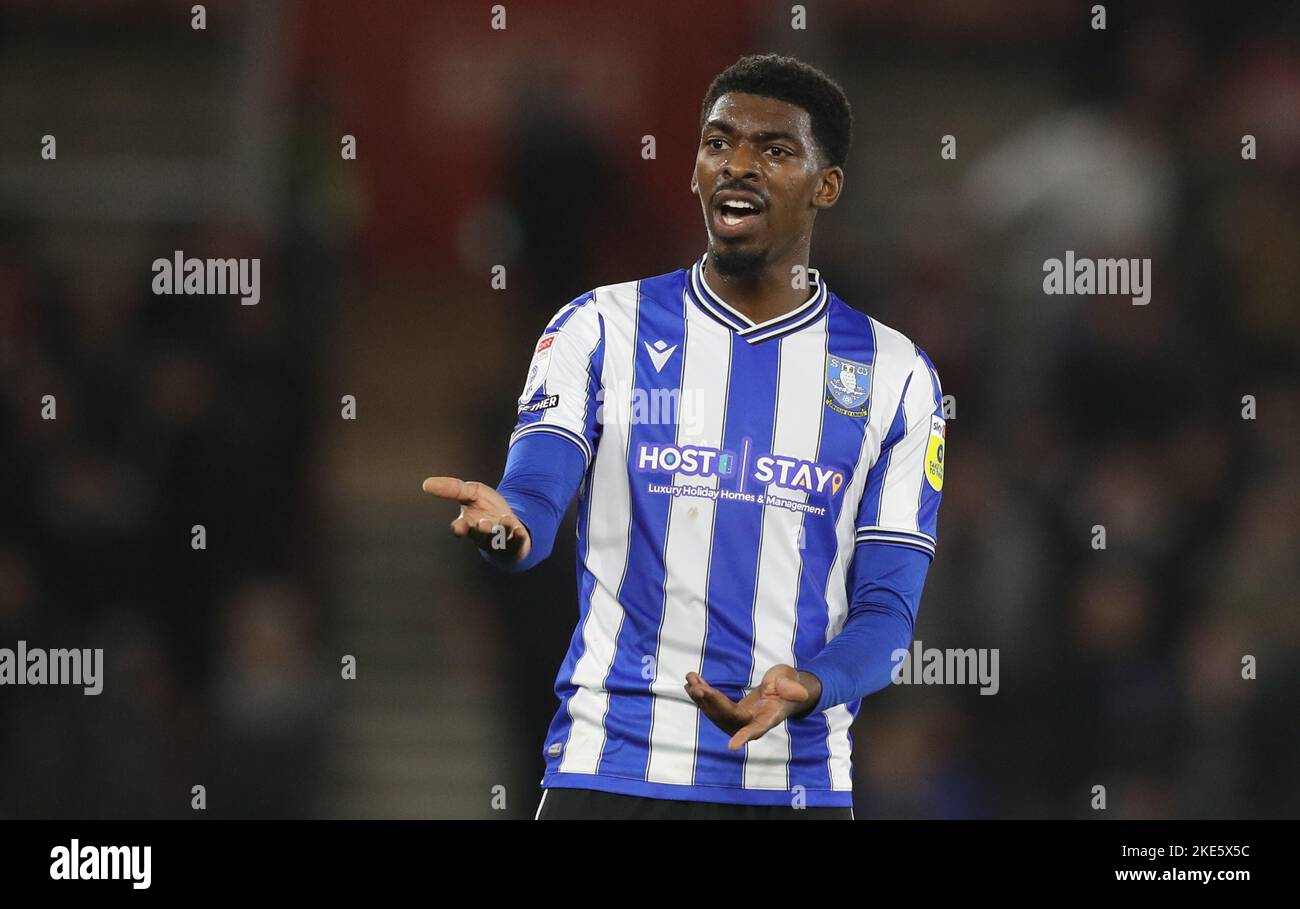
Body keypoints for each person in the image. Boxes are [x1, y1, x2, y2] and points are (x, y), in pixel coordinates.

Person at [425, 53, 946, 820]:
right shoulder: (598, 327)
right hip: (609, 768)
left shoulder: (897, 374)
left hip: (791, 779)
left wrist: (815, 683)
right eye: (718, 142)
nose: (738, 164)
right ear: (696, 170)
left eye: (774, 150)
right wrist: (509, 531)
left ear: (826, 186)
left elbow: (887, 610)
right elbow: (536, 495)